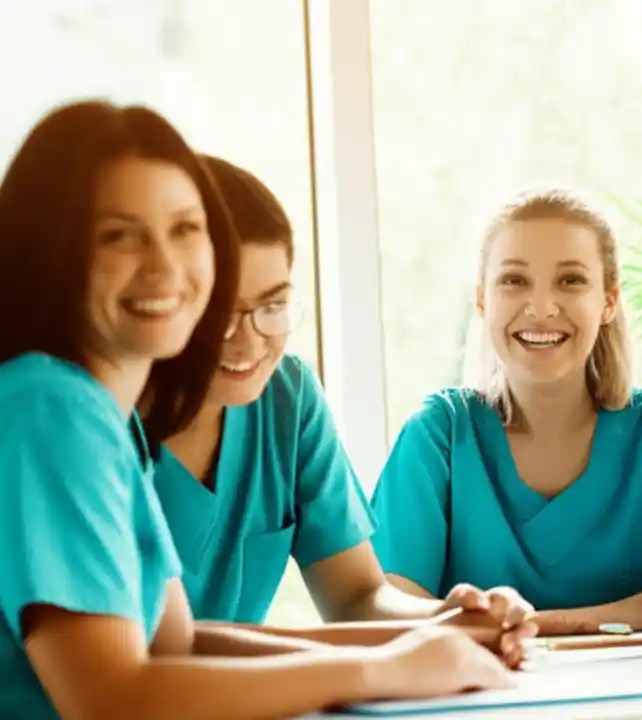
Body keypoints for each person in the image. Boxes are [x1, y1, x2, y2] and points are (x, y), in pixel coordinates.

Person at [0, 100, 509, 719]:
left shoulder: (104, 417)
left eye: (185, 229)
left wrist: (423, 641)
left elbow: (179, 646)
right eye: (118, 236)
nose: (165, 266)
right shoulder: (50, 408)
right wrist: (387, 668)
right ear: (50, 252)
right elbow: (114, 699)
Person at [150, 154, 533, 663]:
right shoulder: (99, 421)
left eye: (272, 306)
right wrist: (385, 663)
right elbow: (162, 654)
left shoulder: (287, 397)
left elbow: (356, 595)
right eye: (220, 313)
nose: (248, 342)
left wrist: (449, 620)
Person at [370, 188, 642, 634]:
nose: (540, 308)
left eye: (571, 281)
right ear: (482, 301)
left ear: (609, 301)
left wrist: (563, 623)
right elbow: (390, 609)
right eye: (514, 281)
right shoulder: (439, 437)